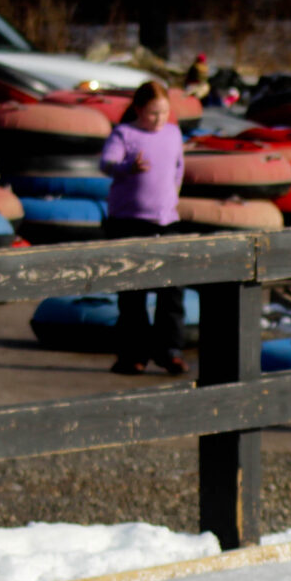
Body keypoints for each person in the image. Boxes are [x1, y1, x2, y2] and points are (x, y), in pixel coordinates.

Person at [99, 80, 187, 376]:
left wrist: (172, 196)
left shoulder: (173, 133)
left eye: (164, 113)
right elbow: (106, 163)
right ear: (138, 110)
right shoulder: (125, 134)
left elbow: (178, 167)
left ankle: (170, 350)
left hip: (166, 220)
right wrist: (127, 167)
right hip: (129, 220)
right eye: (152, 113)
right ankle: (132, 354)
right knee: (132, 292)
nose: (159, 119)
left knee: (172, 289)